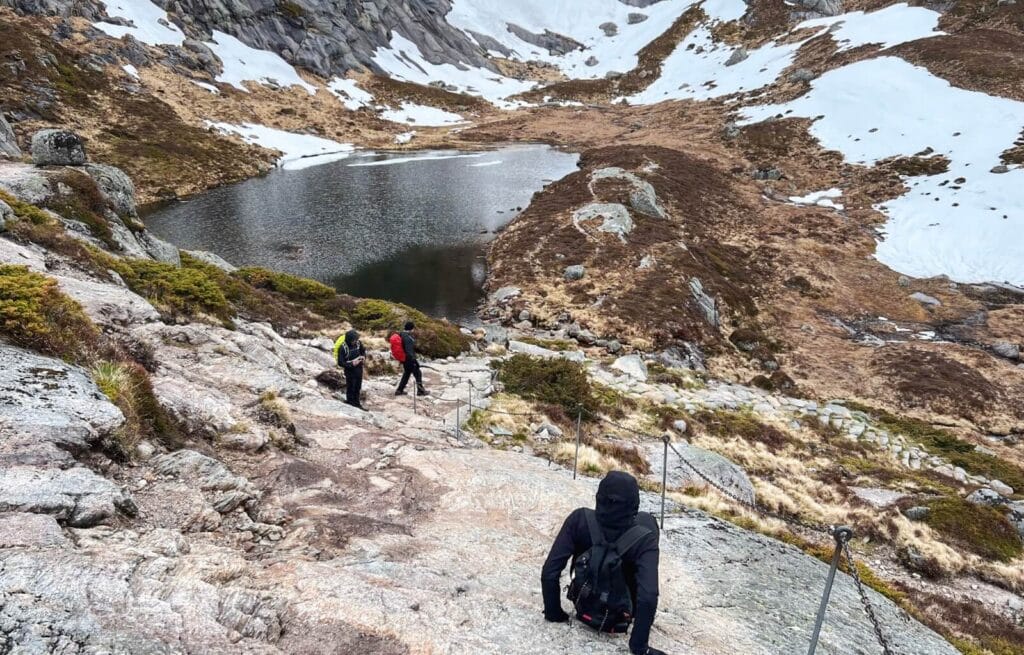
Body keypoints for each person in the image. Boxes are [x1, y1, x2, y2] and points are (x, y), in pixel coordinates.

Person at [541, 471, 666, 655]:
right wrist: (639, 647)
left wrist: (553, 613)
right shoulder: (645, 538)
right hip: (621, 619)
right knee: (648, 520)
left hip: (583, 606)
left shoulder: (579, 519)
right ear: (634, 504)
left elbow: (550, 572)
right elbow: (648, 596)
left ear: (599, 497)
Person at [395, 321, 429, 397]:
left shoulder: (401, 334)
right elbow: (409, 351)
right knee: (418, 373)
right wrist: (415, 361)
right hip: (409, 359)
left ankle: (399, 390)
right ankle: (420, 391)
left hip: (404, 359)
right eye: (413, 328)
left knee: (406, 374)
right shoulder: (408, 337)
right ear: (411, 328)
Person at [335, 329, 366, 410]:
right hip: (349, 370)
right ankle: (350, 402)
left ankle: (357, 403)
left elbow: (363, 351)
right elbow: (340, 362)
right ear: (349, 339)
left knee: (358, 386)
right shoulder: (343, 347)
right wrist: (351, 364)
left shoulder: (358, 343)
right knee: (351, 386)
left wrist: (363, 357)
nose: (355, 342)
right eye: (353, 340)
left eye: (356, 339)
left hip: (359, 368)